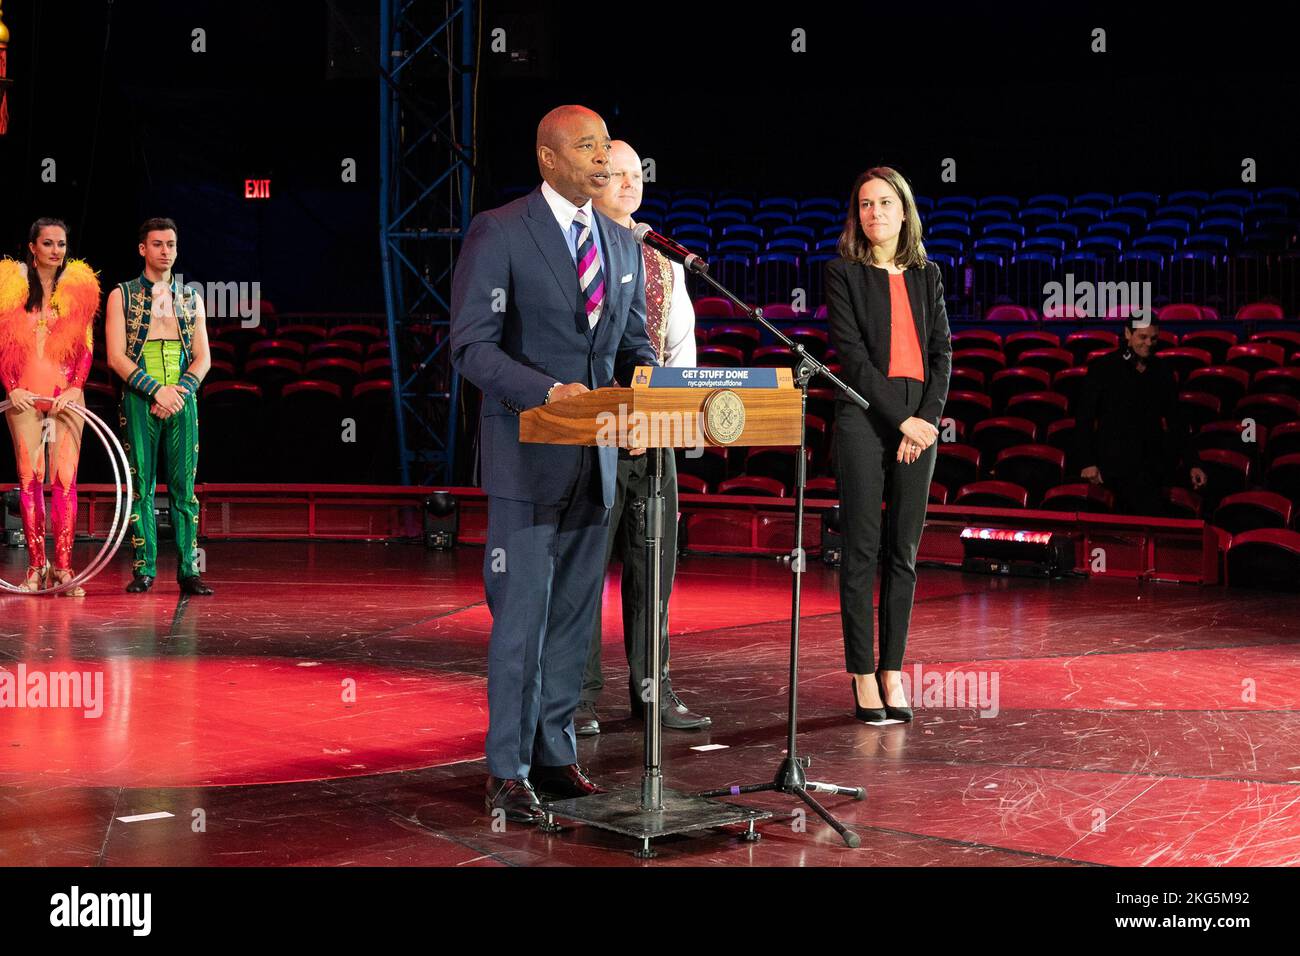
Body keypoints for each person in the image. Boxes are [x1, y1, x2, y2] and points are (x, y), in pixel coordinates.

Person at [450, 106, 658, 823]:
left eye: (607, 144)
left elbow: (635, 347)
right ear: (547, 158)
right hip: (525, 460)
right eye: (588, 146)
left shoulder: (623, 244)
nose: (603, 158)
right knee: (520, 622)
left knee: (573, 617)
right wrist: (547, 392)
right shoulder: (501, 231)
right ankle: (506, 768)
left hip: (596, 463)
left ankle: (554, 752)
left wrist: (647, 393)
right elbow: (471, 347)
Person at [576, 140, 710, 735]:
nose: (630, 184)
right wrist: (616, 418)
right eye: (616, 174)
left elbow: (680, 349)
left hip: (653, 431)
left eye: (637, 175)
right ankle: (577, 699)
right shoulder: (573, 249)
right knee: (584, 569)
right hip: (593, 431)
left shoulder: (665, 258)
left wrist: (663, 419)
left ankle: (653, 693)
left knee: (653, 566)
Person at [825, 167, 952, 723]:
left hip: (917, 422)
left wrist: (924, 420)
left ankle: (892, 671)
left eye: (884, 203)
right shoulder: (842, 273)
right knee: (861, 550)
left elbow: (942, 355)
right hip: (862, 417)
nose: (874, 213)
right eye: (864, 205)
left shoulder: (929, 276)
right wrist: (902, 421)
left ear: (904, 211)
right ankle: (861, 675)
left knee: (902, 552)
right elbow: (852, 359)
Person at [105, 217, 214, 596]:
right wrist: (156, 391)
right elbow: (116, 357)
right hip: (139, 396)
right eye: (157, 244)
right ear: (142, 249)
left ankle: (189, 569)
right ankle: (145, 568)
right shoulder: (122, 295)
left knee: (184, 487)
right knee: (142, 485)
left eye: (170, 244)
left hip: (182, 398)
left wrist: (178, 392)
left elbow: (203, 358)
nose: (165, 251)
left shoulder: (191, 297)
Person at [0, 218, 100, 594]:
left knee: (64, 482)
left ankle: (63, 568)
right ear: (32, 247)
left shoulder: (77, 289)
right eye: (48, 243)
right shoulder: (10, 290)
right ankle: (35, 568)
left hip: (66, 396)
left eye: (61, 243)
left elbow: (86, 348)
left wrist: (75, 387)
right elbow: (1, 343)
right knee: (30, 481)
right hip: (24, 394)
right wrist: (12, 388)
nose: (56, 250)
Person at [1075, 314, 1207, 515]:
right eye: (1143, 337)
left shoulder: (1162, 371)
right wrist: (1087, 462)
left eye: (1153, 338)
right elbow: (1084, 418)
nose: (1149, 343)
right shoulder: (1103, 368)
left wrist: (1193, 463)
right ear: (1128, 334)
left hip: (1150, 467)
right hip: (1111, 466)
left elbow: (1176, 421)